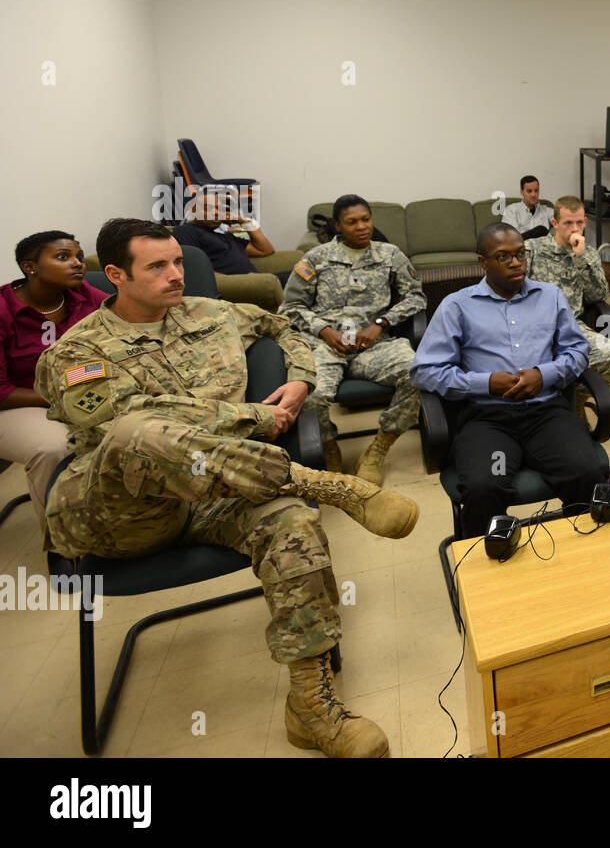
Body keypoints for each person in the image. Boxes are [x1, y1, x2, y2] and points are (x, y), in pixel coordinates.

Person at [36, 217, 421, 758]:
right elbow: (127, 424)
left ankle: (310, 706)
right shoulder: (76, 354)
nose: (177, 275)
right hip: (122, 511)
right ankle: (332, 486)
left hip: (216, 492)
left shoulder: (212, 313)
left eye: (177, 261)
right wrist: (251, 417)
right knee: (135, 431)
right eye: (158, 266)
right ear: (116, 275)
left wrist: (301, 380)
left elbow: (285, 326)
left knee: (293, 520)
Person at [410, 223, 610, 540]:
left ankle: (582, 558)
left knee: (587, 475)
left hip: (546, 415)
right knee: (486, 486)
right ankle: (487, 573)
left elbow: (577, 351)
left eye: (520, 254)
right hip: (490, 422)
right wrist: (486, 383)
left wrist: (543, 375)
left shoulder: (550, 297)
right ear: (483, 263)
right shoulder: (458, 306)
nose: (516, 262)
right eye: (503, 257)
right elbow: (424, 371)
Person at [279, 194, 426, 484]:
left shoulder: (390, 255)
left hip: (373, 345)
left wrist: (381, 324)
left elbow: (416, 297)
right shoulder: (316, 258)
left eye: (366, 219)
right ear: (338, 226)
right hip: (326, 346)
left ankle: (378, 449)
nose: (361, 227)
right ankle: (329, 446)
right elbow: (290, 307)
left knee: (419, 373)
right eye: (352, 222)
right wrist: (324, 330)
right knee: (311, 392)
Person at [0, 231, 109, 536]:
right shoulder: (3, 310)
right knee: (55, 448)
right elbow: (1, 391)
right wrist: (61, 398)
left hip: (79, 394)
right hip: (17, 404)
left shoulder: (84, 295)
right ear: (30, 266)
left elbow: (129, 318)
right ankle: (64, 545)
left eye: (77, 256)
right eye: (63, 257)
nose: (77, 264)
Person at [524, 196, 610, 388]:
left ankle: (576, 401)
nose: (574, 229)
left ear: (585, 222)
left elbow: (598, 296)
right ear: (555, 223)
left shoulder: (588, 254)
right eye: (568, 223)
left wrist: (580, 259)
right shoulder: (533, 249)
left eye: (579, 223)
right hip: (534, 326)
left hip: (570, 327)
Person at [501, 175, 552, 240]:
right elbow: (510, 236)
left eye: (536, 191)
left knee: (542, 230)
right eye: (529, 191)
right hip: (520, 246)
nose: (533, 195)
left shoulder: (546, 211)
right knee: (541, 229)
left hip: (542, 247)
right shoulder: (511, 210)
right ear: (521, 192)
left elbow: (561, 220)